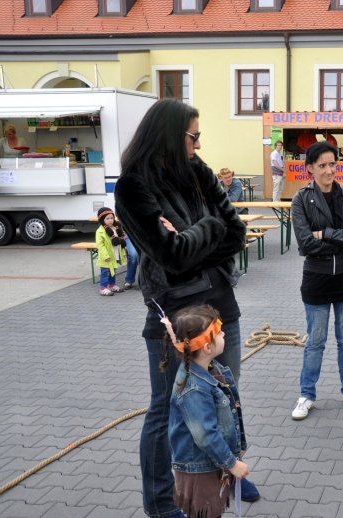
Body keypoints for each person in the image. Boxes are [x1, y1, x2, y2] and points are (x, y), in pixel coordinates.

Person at [115, 98, 255, 518]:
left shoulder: (198, 172)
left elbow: (237, 234)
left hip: (221, 305)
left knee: (223, 396)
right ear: (170, 135)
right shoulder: (134, 186)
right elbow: (171, 254)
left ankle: (225, 476)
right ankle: (160, 503)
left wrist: (196, 235)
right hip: (175, 316)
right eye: (193, 135)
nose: (198, 142)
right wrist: (210, 227)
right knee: (167, 409)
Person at [290, 141, 343, 421]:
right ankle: (307, 395)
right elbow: (304, 244)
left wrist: (324, 234)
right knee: (316, 341)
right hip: (317, 279)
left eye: (332, 164)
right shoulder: (301, 199)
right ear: (310, 168)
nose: (328, 170)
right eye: (322, 165)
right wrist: (342, 240)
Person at [162, 305, 256, 518]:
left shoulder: (212, 369)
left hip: (210, 463)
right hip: (199, 468)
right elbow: (206, 434)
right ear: (206, 347)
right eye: (220, 332)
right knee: (205, 513)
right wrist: (232, 464)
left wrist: (236, 449)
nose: (224, 334)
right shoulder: (194, 388)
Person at [95, 207, 128, 296]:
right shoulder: (100, 231)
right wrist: (106, 256)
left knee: (113, 271)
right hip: (106, 257)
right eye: (107, 218)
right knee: (105, 272)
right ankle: (103, 288)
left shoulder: (115, 228)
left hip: (114, 255)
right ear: (102, 219)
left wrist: (124, 254)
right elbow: (100, 245)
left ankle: (112, 285)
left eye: (112, 218)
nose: (110, 220)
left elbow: (120, 243)